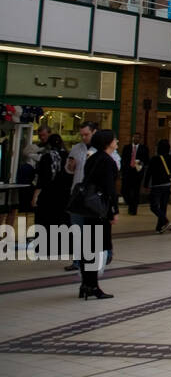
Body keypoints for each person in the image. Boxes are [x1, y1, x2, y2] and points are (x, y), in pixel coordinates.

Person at [71, 128, 119, 300]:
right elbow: (109, 189)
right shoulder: (107, 161)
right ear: (107, 142)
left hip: (89, 207)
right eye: (114, 139)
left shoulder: (92, 159)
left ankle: (86, 284)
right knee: (97, 248)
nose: (117, 141)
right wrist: (114, 210)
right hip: (100, 209)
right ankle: (92, 286)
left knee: (89, 248)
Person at [32, 133, 72, 242]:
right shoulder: (68, 156)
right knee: (62, 220)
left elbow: (42, 179)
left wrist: (35, 197)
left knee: (47, 221)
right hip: (64, 194)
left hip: (48, 195)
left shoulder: (46, 157)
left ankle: (46, 245)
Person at [143, 138, 171, 234]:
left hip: (157, 185)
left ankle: (165, 221)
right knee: (163, 206)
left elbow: (149, 172)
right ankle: (160, 227)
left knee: (154, 206)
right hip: (167, 184)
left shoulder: (155, 159)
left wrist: (145, 184)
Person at [120, 133, 149, 217]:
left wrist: (141, 163)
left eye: (137, 138)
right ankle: (130, 203)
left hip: (138, 172)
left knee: (136, 191)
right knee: (125, 190)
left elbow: (146, 160)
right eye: (134, 137)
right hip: (128, 172)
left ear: (140, 139)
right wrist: (122, 171)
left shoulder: (144, 148)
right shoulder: (127, 148)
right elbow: (123, 160)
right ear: (132, 138)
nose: (136, 139)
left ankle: (134, 209)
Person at [66, 120, 97, 187]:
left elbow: (116, 165)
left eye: (86, 134)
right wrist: (71, 166)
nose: (83, 137)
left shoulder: (102, 148)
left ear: (94, 132)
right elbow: (68, 170)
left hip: (93, 191)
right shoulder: (76, 148)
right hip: (78, 188)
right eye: (81, 135)